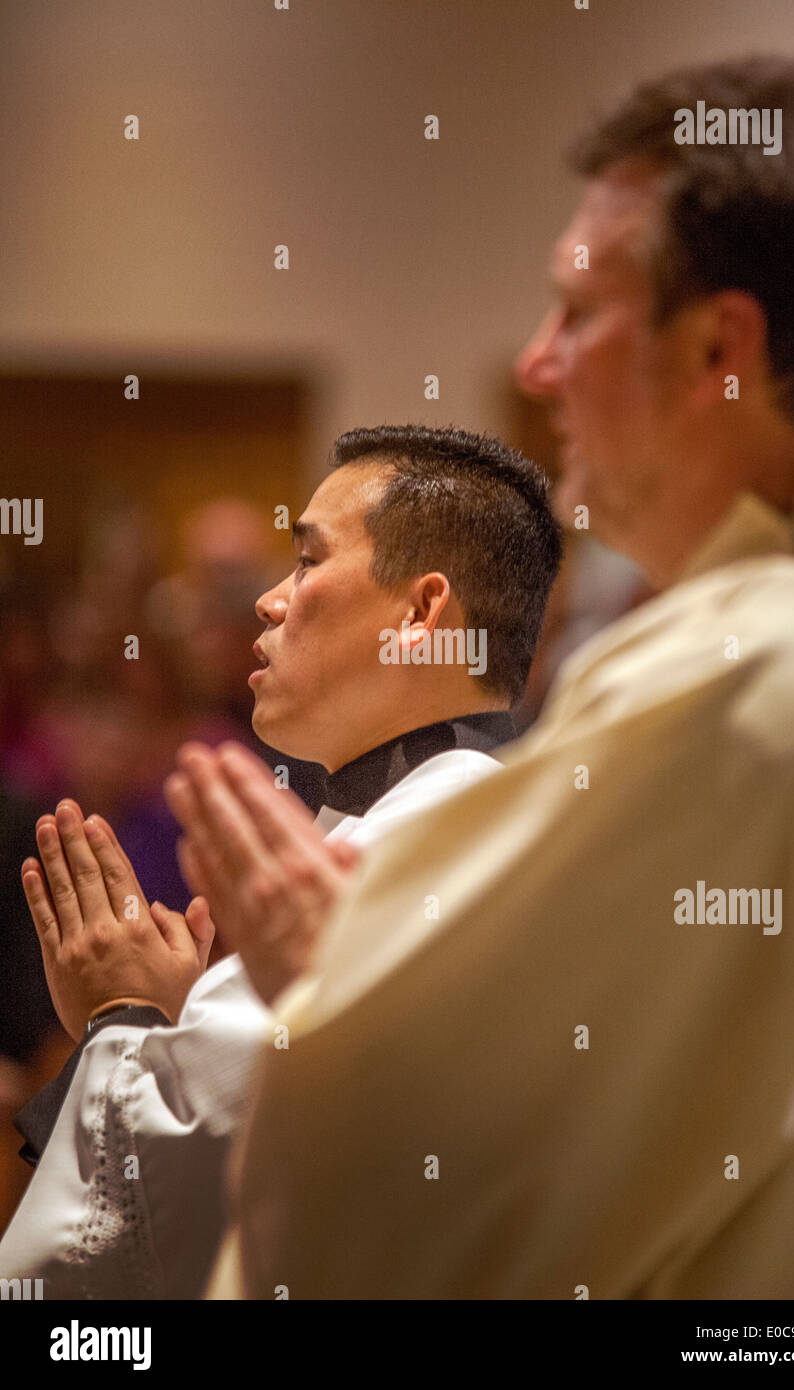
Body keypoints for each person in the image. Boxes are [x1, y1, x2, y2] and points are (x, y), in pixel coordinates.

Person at [184, 56, 794, 1299]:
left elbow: (464, 1202)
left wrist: (331, 996)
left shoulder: (754, 676)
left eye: (576, 312)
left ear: (720, 345)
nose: (540, 366)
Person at [0, 423, 561, 1299]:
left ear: (420, 615)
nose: (269, 600)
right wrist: (186, 1014)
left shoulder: (414, 845)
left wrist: (121, 1012)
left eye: (305, 561)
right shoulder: (455, 815)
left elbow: (159, 1206)